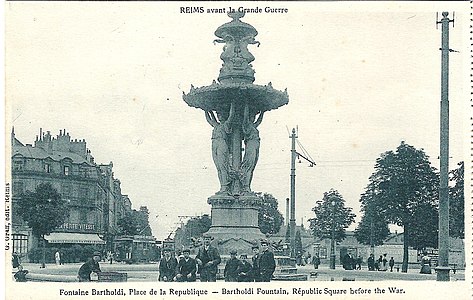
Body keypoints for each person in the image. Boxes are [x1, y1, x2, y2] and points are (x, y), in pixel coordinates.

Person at [205, 103, 235, 194]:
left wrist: (232, 106)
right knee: (218, 166)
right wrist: (206, 110)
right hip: (214, 143)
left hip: (222, 143)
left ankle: (225, 187)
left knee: (223, 166)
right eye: (218, 115)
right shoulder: (216, 125)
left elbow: (231, 116)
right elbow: (210, 119)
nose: (219, 116)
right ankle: (222, 185)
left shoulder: (226, 125)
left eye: (221, 114)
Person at [241, 104, 264, 194]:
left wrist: (262, 112)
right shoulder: (246, 125)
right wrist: (246, 105)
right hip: (250, 146)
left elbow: (259, 121)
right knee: (249, 166)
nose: (253, 118)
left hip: (255, 146)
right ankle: (245, 186)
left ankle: (247, 186)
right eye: (252, 116)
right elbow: (246, 118)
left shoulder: (253, 126)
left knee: (252, 167)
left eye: (254, 117)